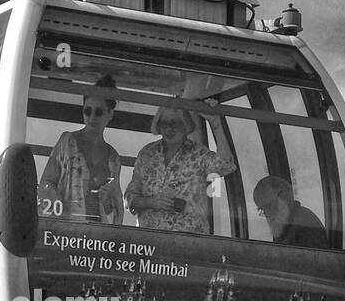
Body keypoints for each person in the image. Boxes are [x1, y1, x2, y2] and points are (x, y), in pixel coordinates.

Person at [125, 105, 234, 233]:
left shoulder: (199, 154)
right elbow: (129, 198)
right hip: (150, 241)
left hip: (189, 242)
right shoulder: (147, 153)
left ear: (186, 125)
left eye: (174, 123)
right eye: (164, 124)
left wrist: (216, 124)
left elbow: (225, 165)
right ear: (158, 127)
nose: (168, 129)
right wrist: (150, 202)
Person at [39, 74, 124, 224]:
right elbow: (46, 183)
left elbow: (114, 206)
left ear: (110, 114)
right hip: (66, 233)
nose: (92, 117)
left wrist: (112, 198)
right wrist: (54, 204)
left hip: (98, 237)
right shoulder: (67, 143)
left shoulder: (114, 158)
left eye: (98, 112)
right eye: (87, 111)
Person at [253, 173, 326, 247]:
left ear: (283, 197)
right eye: (263, 210)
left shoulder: (305, 226)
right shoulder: (286, 226)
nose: (269, 216)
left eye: (269, 206)